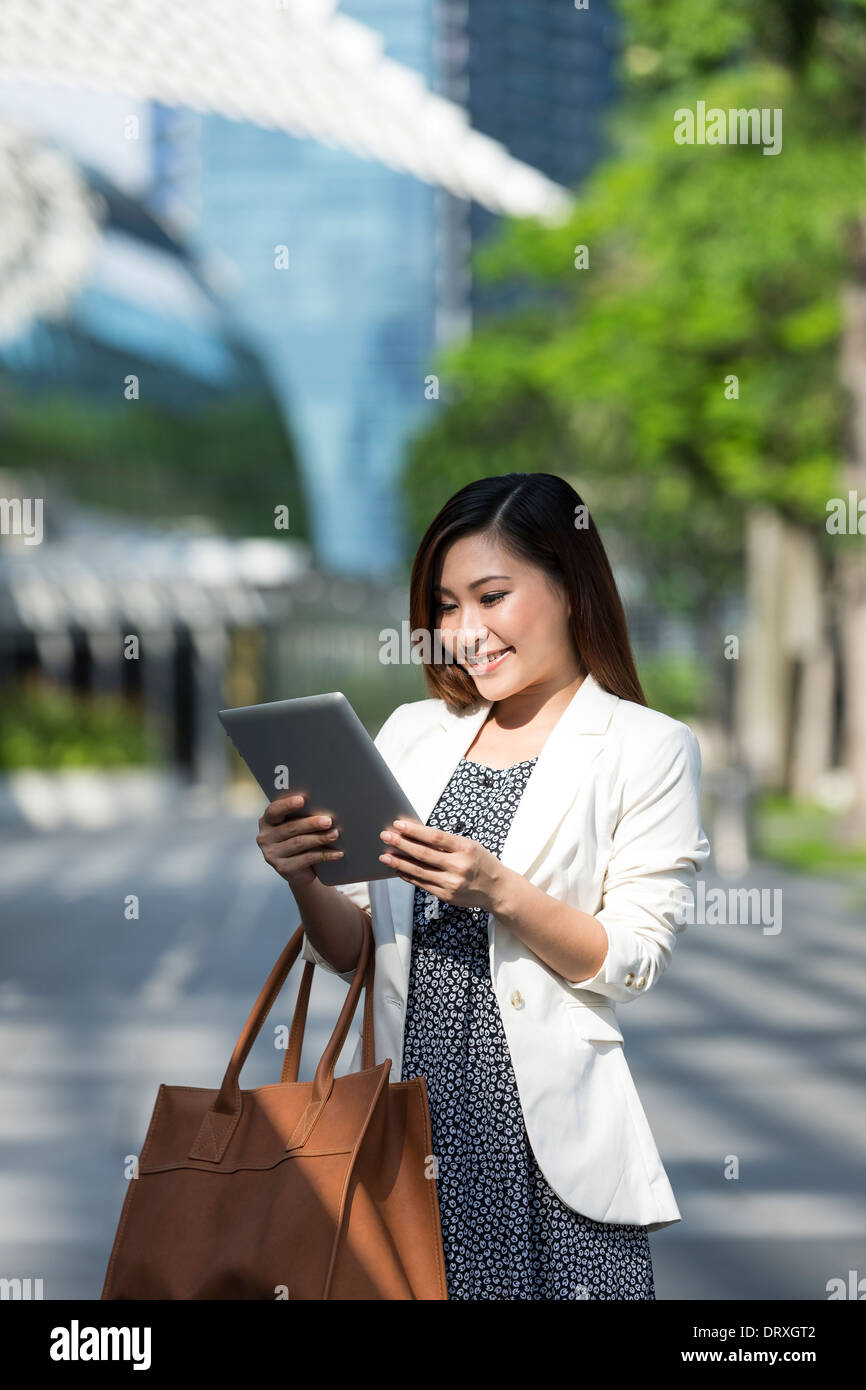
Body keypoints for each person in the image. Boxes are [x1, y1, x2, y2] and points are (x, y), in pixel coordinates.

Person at [256, 471, 710, 1300]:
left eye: (492, 596)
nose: (465, 631)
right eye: (446, 605)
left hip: (546, 1149)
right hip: (405, 1126)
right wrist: (303, 879)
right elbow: (355, 948)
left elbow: (632, 961)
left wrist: (501, 890)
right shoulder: (416, 734)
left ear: (571, 588)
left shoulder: (647, 747)